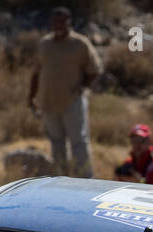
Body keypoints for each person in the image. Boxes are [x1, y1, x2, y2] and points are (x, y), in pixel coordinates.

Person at [29, 7, 102, 177]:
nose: (58, 25)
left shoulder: (79, 43)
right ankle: (61, 179)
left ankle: (85, 180)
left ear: (69, 22)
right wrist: (31, 97)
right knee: (56, 143)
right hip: (48, 102)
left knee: (79, 143)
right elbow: (36, 72)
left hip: (72, 102)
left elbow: (94, 70)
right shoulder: (44, 44)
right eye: (55, 21)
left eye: (62, 21)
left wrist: (81, 89)